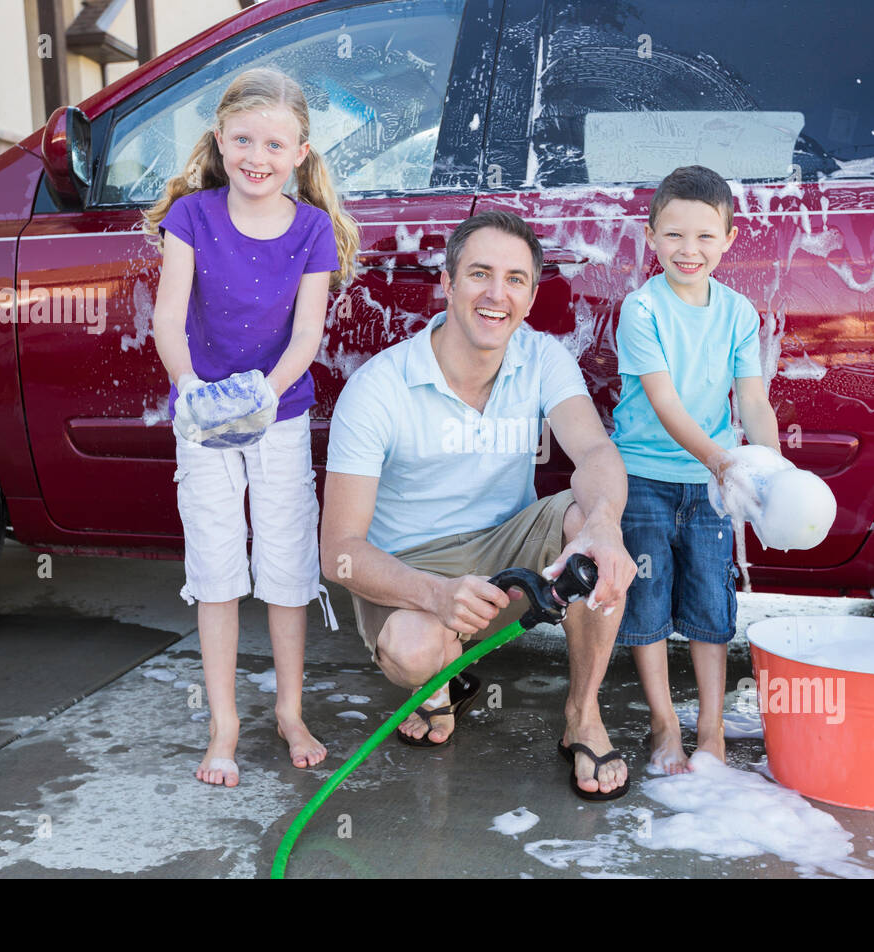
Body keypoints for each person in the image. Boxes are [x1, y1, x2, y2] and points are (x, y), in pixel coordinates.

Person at [320, 210, 637, 799]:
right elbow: (337, 553)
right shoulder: (380, 388)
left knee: (590, 529)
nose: (497, 295)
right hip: (412, 568)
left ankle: (583, 715)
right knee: (415, 648)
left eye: (515, 279)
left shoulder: (541, 358)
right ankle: (440, 685)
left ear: (532, 295)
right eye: (479, 274)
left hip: (504, 553)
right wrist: (435, 594)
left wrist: (603, 527)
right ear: (446, 282)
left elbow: (594, 451)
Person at [145, 68, 359, 786]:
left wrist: (261, 395)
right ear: (219, 139)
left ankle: (290, 709)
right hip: (203, 420)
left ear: (300, 152)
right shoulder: (193, 217)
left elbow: (306, 334)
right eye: (242, 139)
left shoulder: (311, 229)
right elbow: (168, 317)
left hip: (279, 416)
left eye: (274, 142)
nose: (256, 155)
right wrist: (192, 390)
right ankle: (225, 720)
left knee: (288, 566)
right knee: (215, 568)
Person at [611, 165, 781, 775]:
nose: (690, 250)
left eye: (706, 237)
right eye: (675, 236)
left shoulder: (738, 313)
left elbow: (753, 403)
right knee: (648, 602)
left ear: (730, 239)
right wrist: (722, 462)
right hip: (645, 479)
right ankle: (664, 724)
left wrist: (772, 474)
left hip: (711, 484)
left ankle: (710, 728)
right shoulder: (642, 309)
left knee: (712, 605)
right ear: (651, 237)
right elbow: (665, 403)